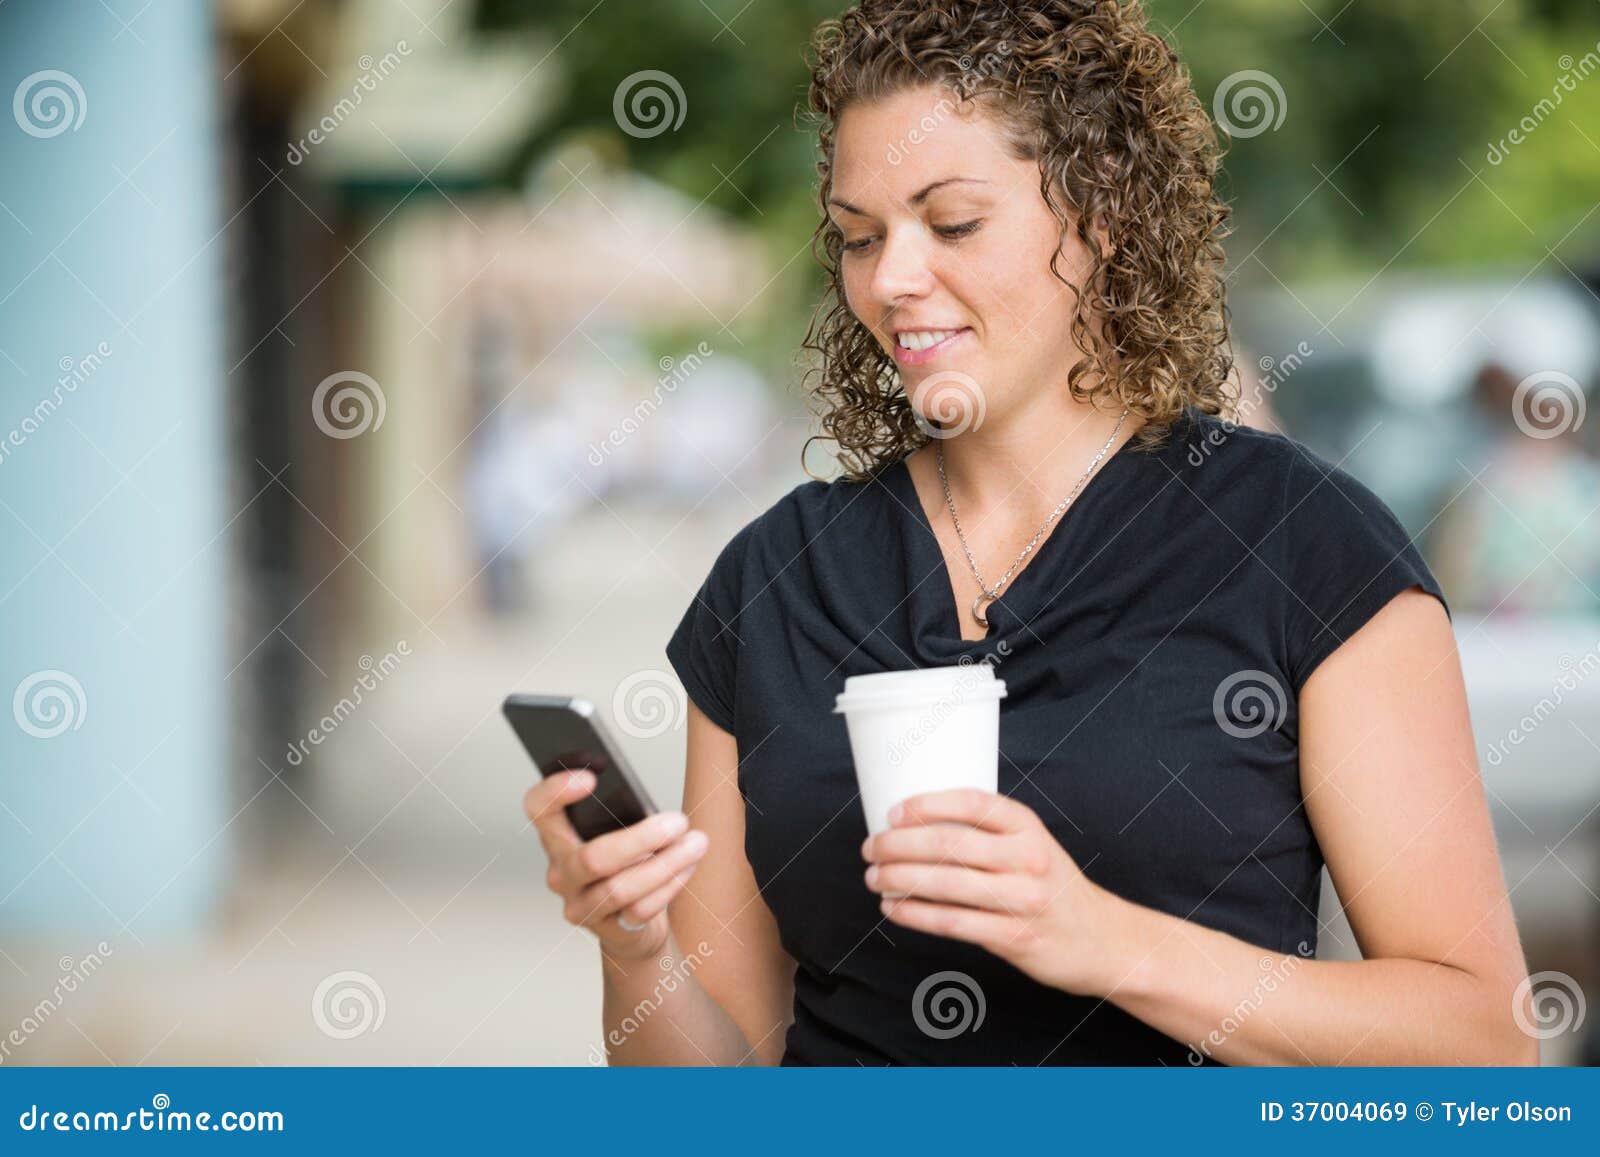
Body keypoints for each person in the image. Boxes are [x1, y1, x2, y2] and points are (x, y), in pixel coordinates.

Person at [523, 0, 1535, 1066]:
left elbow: (1483, 1039)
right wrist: (637, 950)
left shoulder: (1301, 546)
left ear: (1104, 215)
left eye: (953, 222)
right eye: (860, 236)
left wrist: (1105, 941)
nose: (890, 279)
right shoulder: (777, 580)